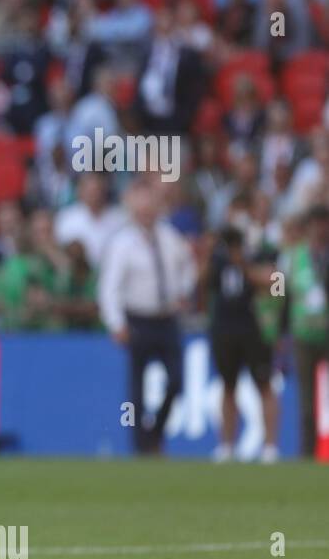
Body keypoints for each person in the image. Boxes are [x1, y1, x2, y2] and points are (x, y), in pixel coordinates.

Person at [98, 178, 198, 455]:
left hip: (166, 318)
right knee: (137, 388)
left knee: (177, 381)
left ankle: (156, 432)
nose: (146, 213)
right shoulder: (122, 243)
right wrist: (116, 323)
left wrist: (184, 290)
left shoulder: (169, 236)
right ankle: (142, 445)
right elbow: (110, 287)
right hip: (138, 318)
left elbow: (188, 267)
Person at [206, 225, 279, 463]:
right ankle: (226, 446)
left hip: (252, 329)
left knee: (264, 385)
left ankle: (270, 447)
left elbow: (276, 285)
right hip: (224, 330)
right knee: (228, 386)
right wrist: (207, 253)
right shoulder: (217, 261)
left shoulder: (260, 254)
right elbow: (198, 281)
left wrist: (244, 265)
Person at [281, 204, 329, 457]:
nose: (321, 229)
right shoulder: (293, 256)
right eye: (317, 224)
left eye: (324, 224)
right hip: (302, 334)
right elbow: (280, 293)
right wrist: (281, 331)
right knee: (307, 402)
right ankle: (307, 454)